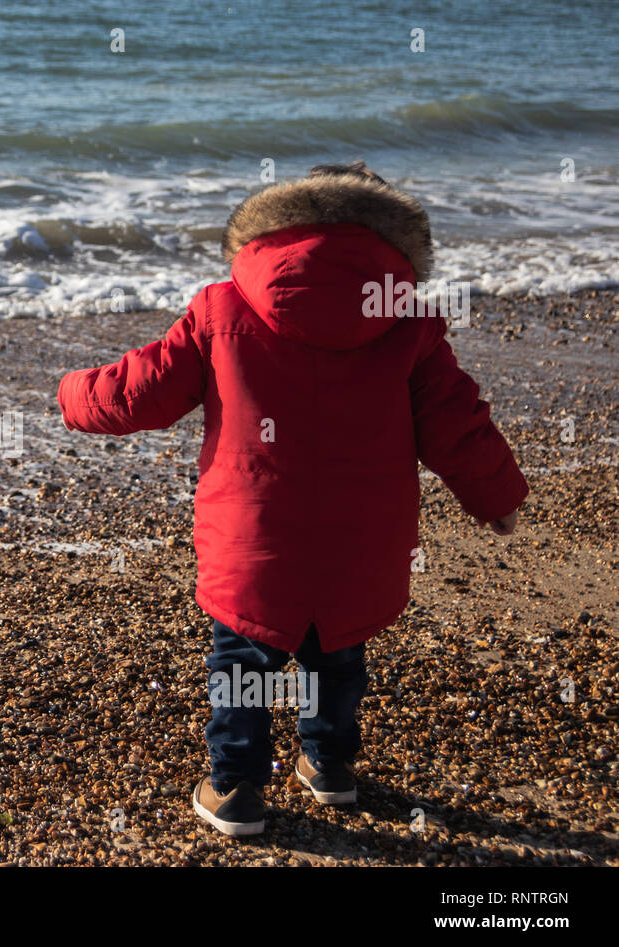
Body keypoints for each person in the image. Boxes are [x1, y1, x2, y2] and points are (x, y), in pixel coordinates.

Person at [56, 161, 529, 836]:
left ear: (276, 229)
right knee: (337, 654)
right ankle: (330, 767)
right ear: (389, 240)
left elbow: (144, 389)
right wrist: (499, 498)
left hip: (255, 540)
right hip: (361, 543)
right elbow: (458, 422)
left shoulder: (221, 309)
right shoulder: (405, 321)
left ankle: (238, 789)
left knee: (244, 663)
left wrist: (73, 394)